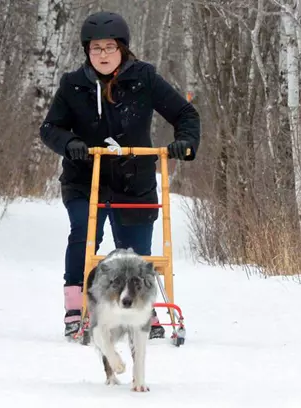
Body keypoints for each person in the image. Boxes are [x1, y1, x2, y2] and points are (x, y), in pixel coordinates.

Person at [39, 11, 200, 340]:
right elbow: (49, 128)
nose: (102, 55)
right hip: (86, 178)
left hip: (134, 179)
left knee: (136, 251)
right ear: (87, 51)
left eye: (109, 47)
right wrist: (70, 144)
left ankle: (143, 309)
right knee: (85, 235)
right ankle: (76, 306)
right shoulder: (74, 85)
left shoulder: (144, 78)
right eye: (95, 48)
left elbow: (185, 113)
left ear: (122, 49)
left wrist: (185, 142)